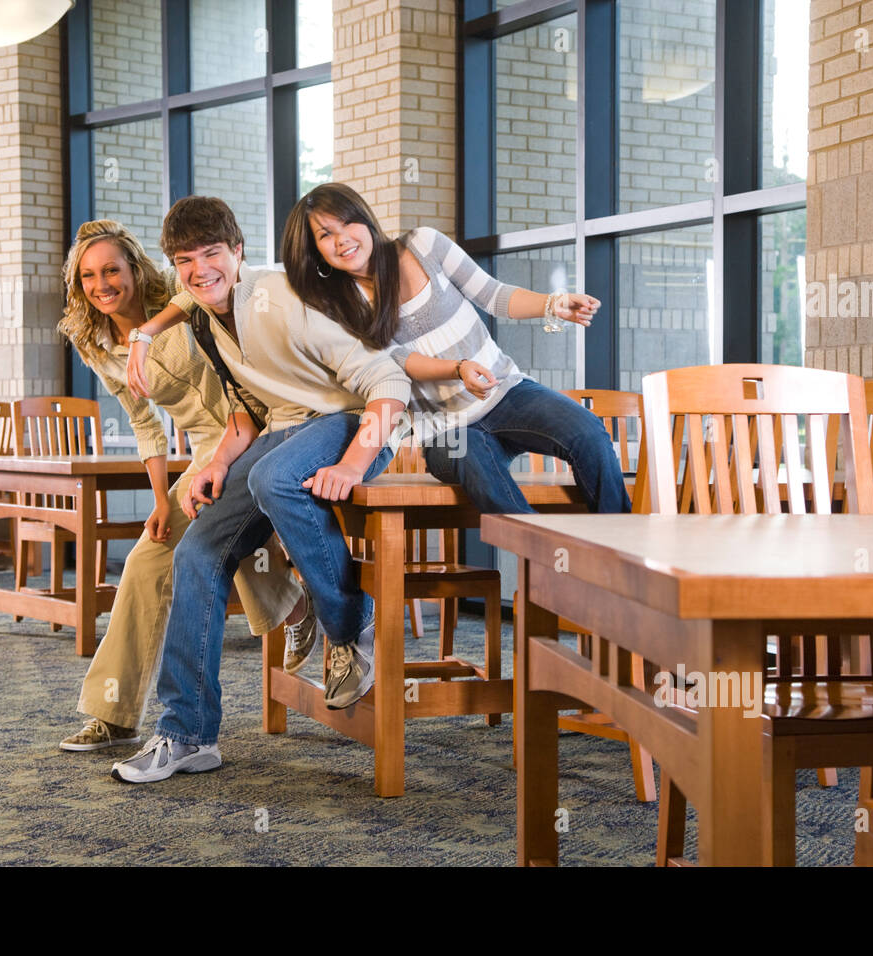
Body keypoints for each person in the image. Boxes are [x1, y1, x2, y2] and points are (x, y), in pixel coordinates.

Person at [111, 197, 410, 784]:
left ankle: (349, 626)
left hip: (352, 423)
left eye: (212, 254)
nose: (200, 271)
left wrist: (352, 464)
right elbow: (249, 413)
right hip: (285, 433)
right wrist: (215, 466)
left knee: (275, 477)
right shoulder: (201, 318)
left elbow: (388, 380)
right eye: (185, 260)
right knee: (195, 549)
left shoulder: (281, 299)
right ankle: (187, 734)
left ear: (239, 252)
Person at [54, 219, 312, 753]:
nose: (103, 284)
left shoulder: (180, 301)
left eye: (112, 270)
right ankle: (114, 712)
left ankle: (298, 611)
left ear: (133, 268)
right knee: (147, 560)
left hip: (257, 429)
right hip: (203, 451)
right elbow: (146, 425)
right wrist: (158, 502)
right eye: (89, 276)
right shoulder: (95, 342)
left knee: (213, 530)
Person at [279, 182, 632, 516]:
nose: (342, 240)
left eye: (346, 223)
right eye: (326, 235)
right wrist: (458, 368)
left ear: (365, 218)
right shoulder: (340, 307)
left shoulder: (424, 245)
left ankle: (620, 557)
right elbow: (398, 363)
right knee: (475, 456)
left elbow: (492, 294)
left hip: (505, 392)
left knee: (588, 433)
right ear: (316, 252)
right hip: (444, 429)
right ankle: (539, 562)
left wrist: (551, 304)